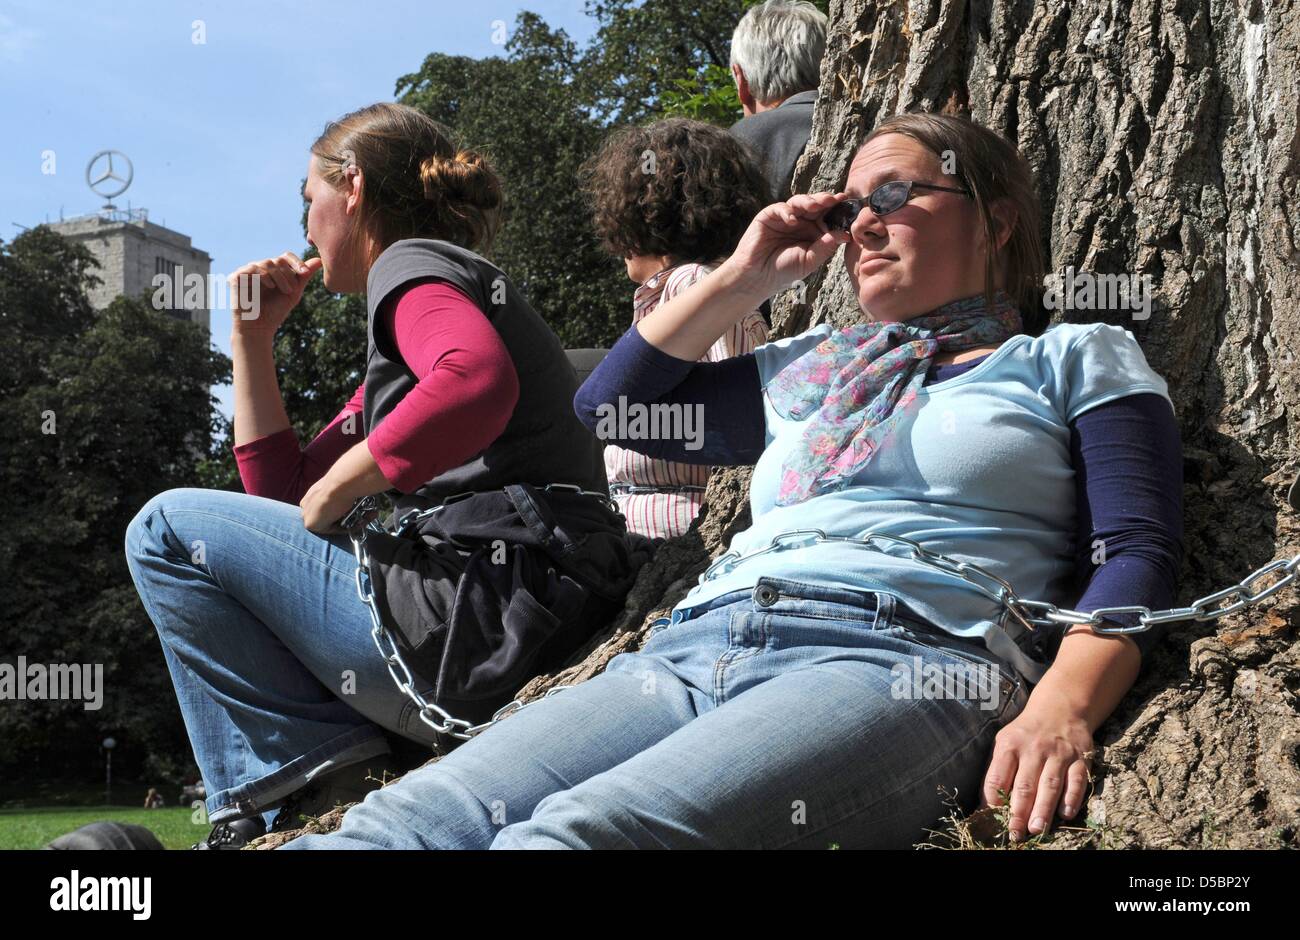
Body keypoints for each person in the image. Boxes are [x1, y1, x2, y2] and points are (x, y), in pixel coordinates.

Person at [275, 112, 1183, 849]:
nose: (862, 223)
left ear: (997, 217)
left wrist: (1063, 706)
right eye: (846, 207)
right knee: (402, 826)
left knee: (579, 838)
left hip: (901, 661)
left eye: (897, 196)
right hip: (694, 644)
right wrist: (744, 275)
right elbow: (612, 407)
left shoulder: (1071, 356)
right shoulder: (808, 367)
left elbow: (1137, 551)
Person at [123, 102, 647, 851]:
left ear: (354, 188)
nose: (305, 227)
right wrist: (251, 342)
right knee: (198, 540)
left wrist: (344, 487)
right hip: (511, 625)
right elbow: (274, 510)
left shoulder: (412, 263)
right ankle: (318, 774)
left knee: (164, 529)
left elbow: (470, 381)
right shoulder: (421, 323)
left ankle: (306, 783)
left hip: (479, 619)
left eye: (309, 200)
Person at [579, 118, 771, 539]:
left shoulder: (695, 286)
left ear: (641, 211)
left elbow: (744, 435)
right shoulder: (670, 294)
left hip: (679, 539)